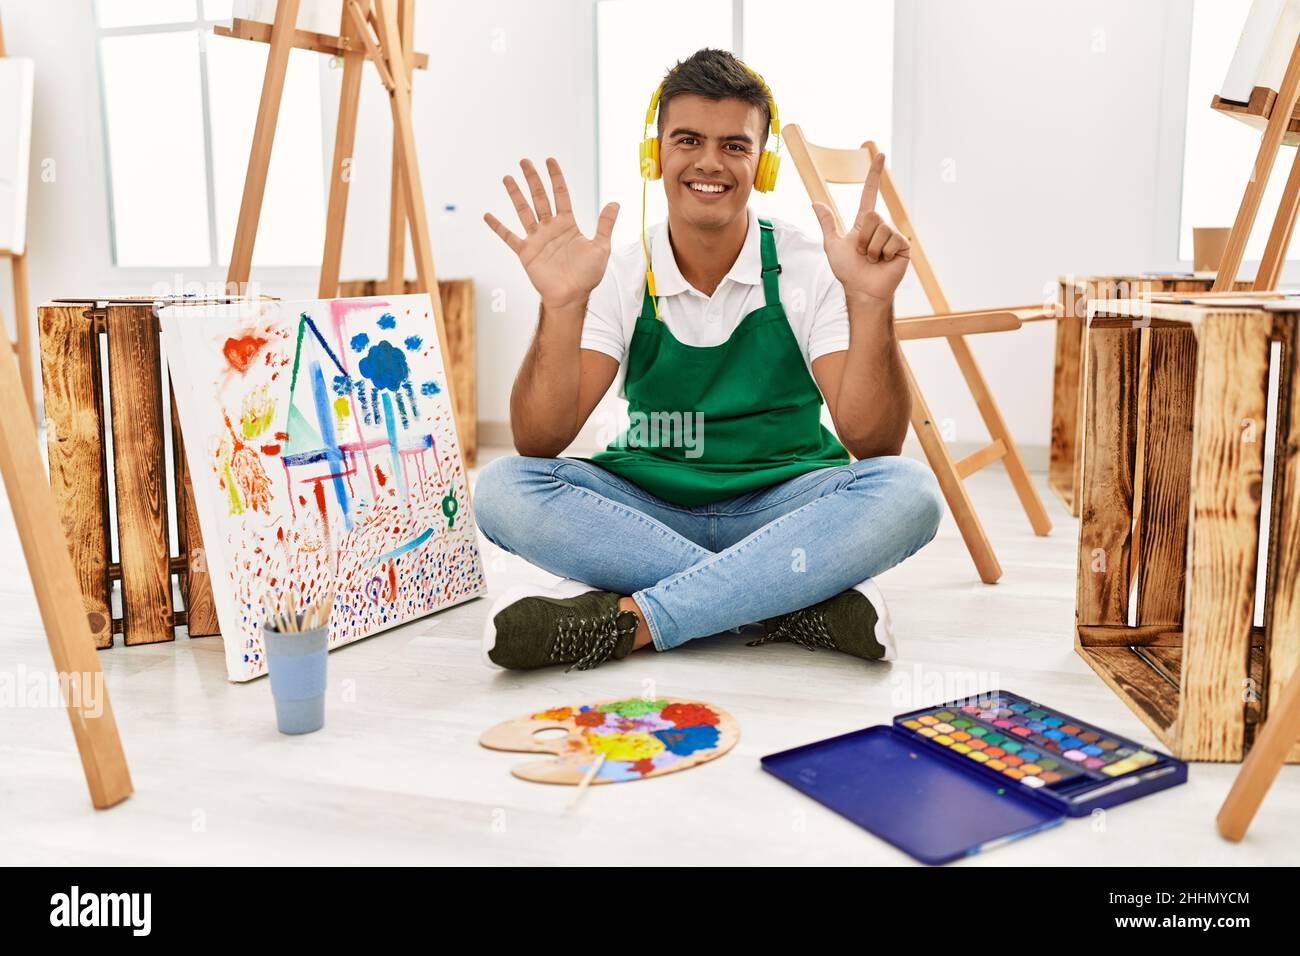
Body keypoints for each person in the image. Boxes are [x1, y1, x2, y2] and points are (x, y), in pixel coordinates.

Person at [475, 49, 943, 671]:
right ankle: (789, 602)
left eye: (735, 145)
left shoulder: (811, 267)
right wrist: (560, 305)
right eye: (688, 139)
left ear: (763, 163)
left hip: (785, 504)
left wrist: (869, 304)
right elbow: (540, 438)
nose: (709, 163)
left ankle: (636, 621)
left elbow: (873, 439)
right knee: (504, 488)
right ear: (656, 154)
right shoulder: (616, 271)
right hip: (647, 508)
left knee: (909, 492)